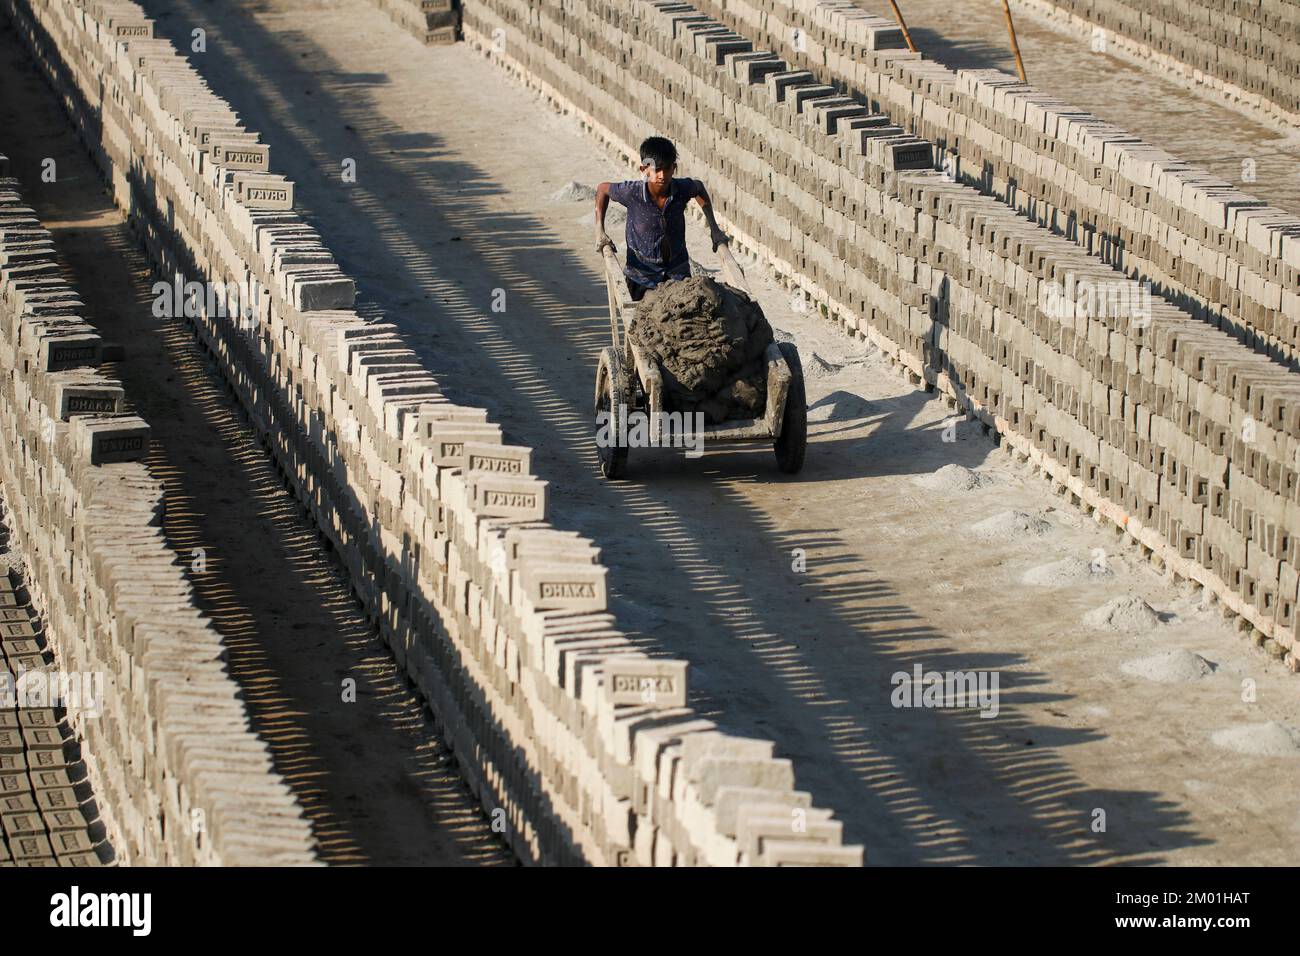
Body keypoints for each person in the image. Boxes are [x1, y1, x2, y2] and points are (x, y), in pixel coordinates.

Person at [595, 136, 728, 301]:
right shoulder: (632, 193)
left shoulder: (681, 189)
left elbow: (699, 188)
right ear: (644, 170)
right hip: (642, 277)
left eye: (667, 169)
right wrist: (600, 230)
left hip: (677, 275)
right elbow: (602, 189)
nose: (662, 175)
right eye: (656, 169)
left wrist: (714, 229)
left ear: (674, 168)